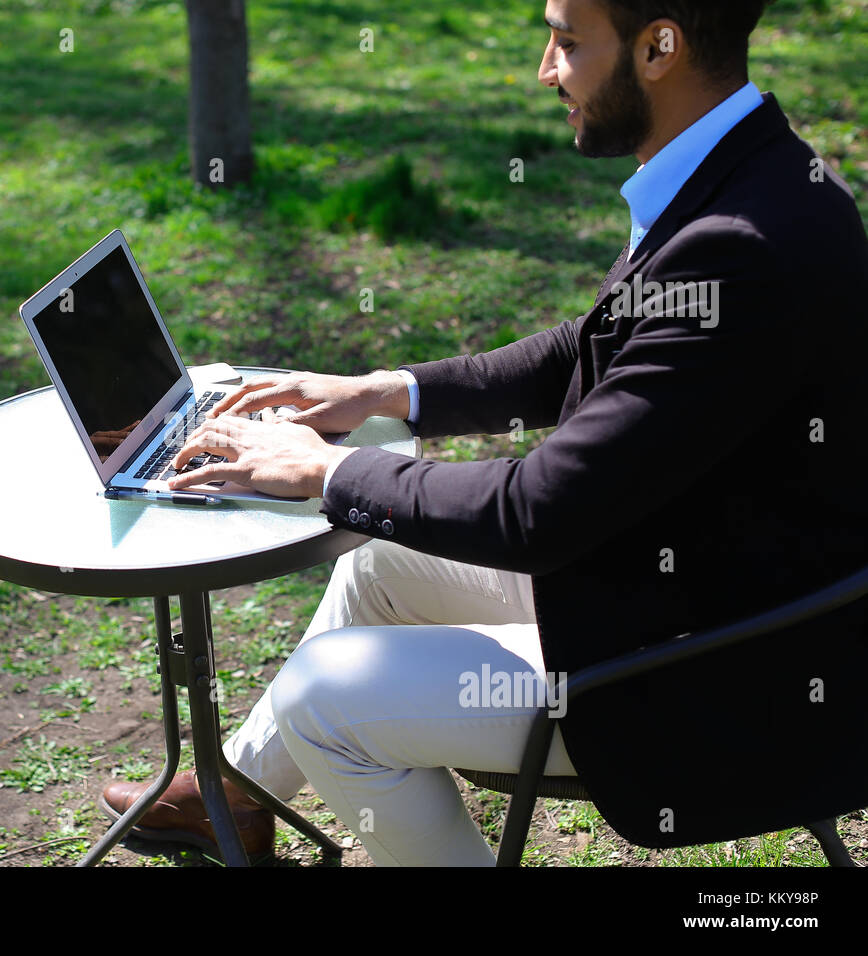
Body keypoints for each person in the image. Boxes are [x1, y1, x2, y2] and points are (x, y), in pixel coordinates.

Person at [99, 0, 868, 865]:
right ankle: (233, 798)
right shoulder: (747, 175)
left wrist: (324, 471)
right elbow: (591, 344)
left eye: (568, 43)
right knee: (380, 563)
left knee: (325, 697)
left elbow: (539, 510)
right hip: (693, 584)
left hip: (715, 678)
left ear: (662, 46)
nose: (546, 69)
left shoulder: (742, 246)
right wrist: (382, 389)